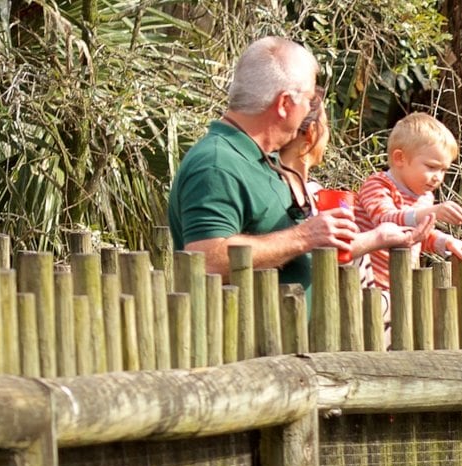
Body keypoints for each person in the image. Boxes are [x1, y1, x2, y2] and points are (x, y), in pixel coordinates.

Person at [171, 37, 406, 283]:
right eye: (309, 99)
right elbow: (206, 258)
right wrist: (304, 236)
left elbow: (289, 253)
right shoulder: (217, 163)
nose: (310, 110)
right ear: (284, 103)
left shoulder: (264, 158)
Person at [353, 114, 462, 292]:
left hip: (401, 285)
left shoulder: (425, 197)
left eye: (443, 169)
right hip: (368, 286)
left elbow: (419, 235)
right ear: (400, 158)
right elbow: (385, 220)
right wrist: (432, 212)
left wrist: (447, 242)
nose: (438, 177)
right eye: (431, 167)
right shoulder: (378, 184)